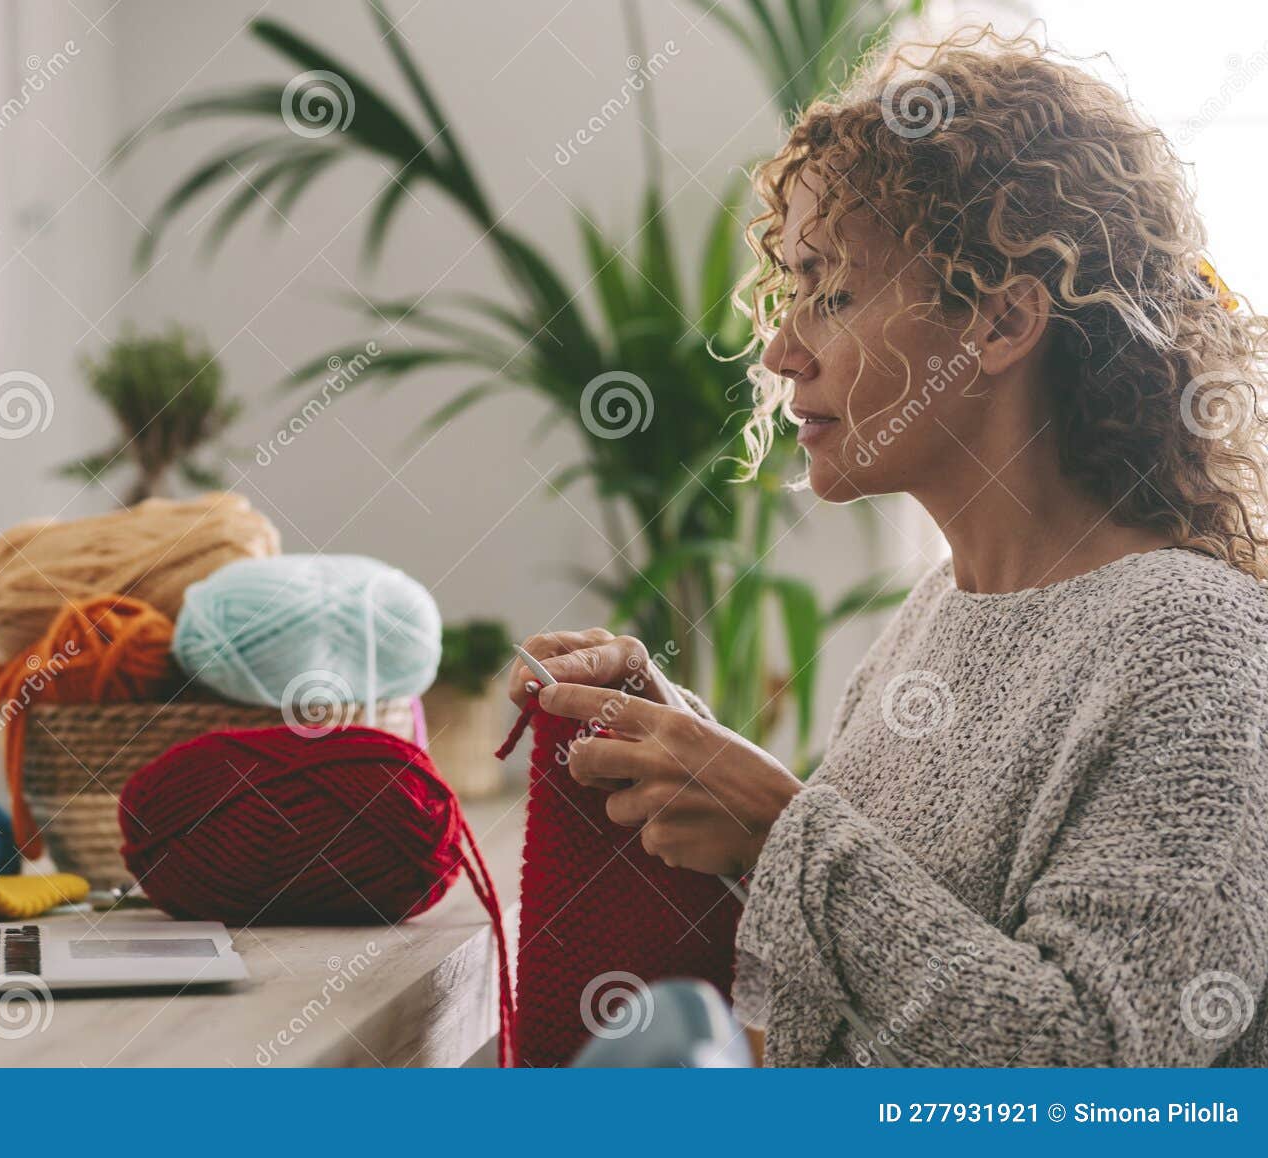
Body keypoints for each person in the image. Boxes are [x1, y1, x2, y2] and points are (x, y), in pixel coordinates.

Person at [511, 25, 1268, 1067]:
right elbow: (870, 984)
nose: (781, 351)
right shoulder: (932, 622)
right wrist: (673, 744)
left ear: (999, 323)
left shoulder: (1196, 649)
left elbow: (1097, 1078)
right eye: (788, 292)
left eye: (831, 290)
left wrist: (780, 832)